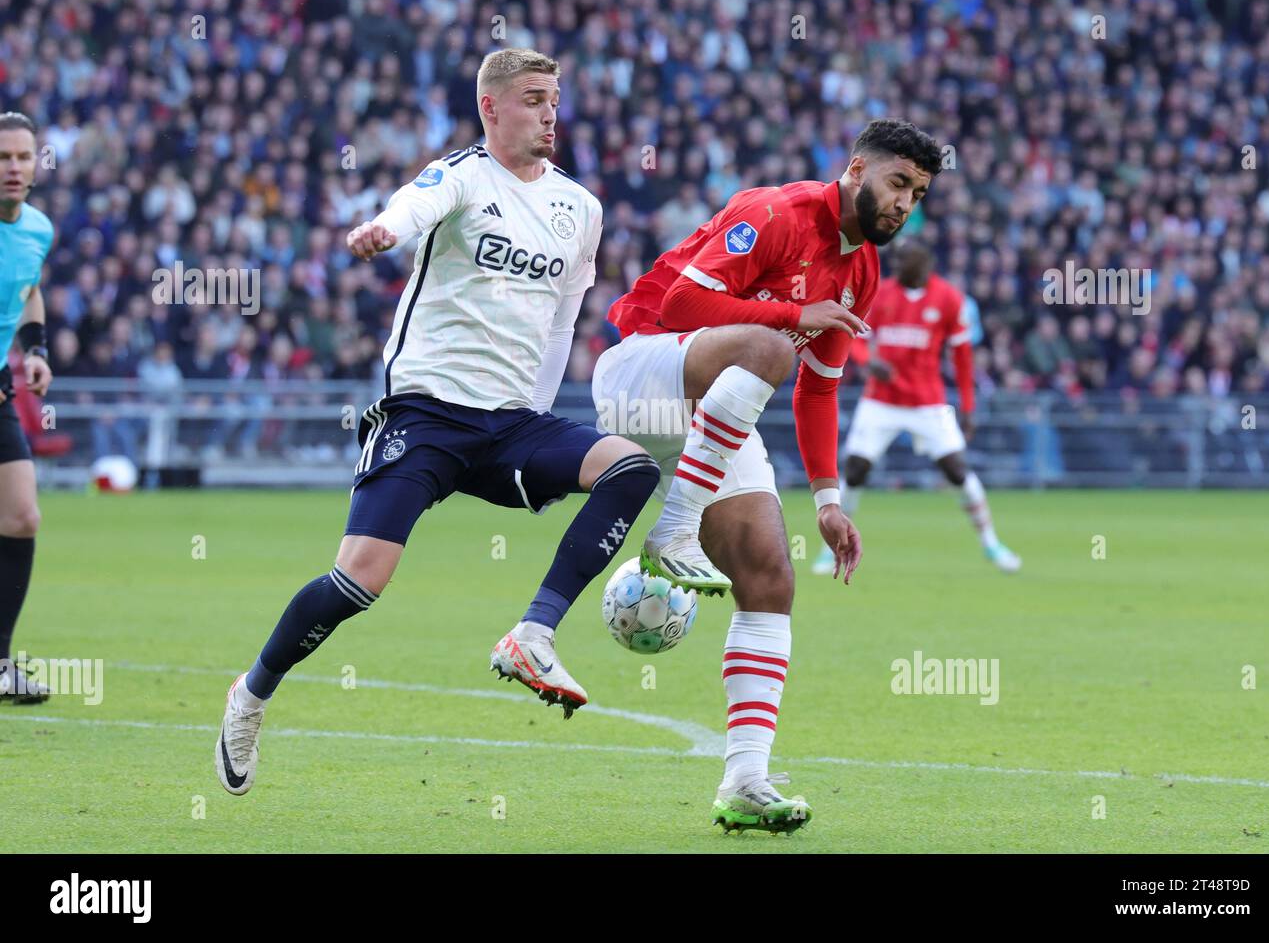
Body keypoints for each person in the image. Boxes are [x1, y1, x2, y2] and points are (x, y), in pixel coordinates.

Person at [215, 49, 659, 796]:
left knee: (631, 467)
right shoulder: (459, 175)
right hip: (426, 413)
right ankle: (251, 695)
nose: (550, 113)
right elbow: (410, 206)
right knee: (360, 582)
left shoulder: (580, 208)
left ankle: (533, 634)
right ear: (491, 108)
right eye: (533, 99)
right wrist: (382, 231)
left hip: (513, 420)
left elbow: (562, 322)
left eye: (554, 98)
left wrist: (540, 410)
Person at [592, 118, 942, 832]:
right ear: (855, 170)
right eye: (898, 182)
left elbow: (820, 390)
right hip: (645, 373)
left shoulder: (864, 270)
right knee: (771, 348)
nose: (906, 203)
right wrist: (793, 315)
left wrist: (829, 500)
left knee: (770, 577)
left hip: (716, 411)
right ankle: (674, 529)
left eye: (919, 193)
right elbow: (682, 305)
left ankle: (745, 781)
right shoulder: (773, 213)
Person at [813, 239, 1021, 574]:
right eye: (896, 258)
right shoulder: (881, 293)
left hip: (928, 402)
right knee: (854, 470)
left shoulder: (949, 299)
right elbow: (855, 338)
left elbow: (963, 358)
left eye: (904, 259)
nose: (897, 264)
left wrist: (967, 408)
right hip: (881, 400)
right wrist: (869, 362)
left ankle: (991, 543)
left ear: (924, 263)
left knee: (957, 470)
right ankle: (832, 548)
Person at [0, 112, 56, 703]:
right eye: (2, 158)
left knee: (21, 517)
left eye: (21, 157)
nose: (13, 168)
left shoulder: (37, 228)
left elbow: (29, 285)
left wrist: (33, 351)